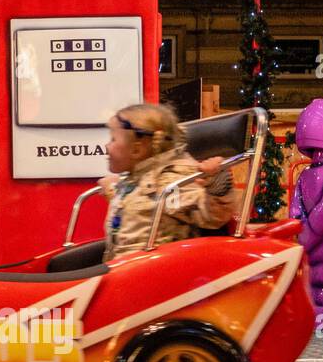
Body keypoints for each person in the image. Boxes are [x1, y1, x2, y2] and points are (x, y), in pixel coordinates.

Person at [99, 103, 237, 262]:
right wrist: (113, 189)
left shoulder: (168, 184)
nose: (106, 146)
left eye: (113, 139)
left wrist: (216, 183)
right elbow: (137, 207)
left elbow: (209, 215)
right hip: (121, 268)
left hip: (150, 273)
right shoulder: (134, 180)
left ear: (137, 150)